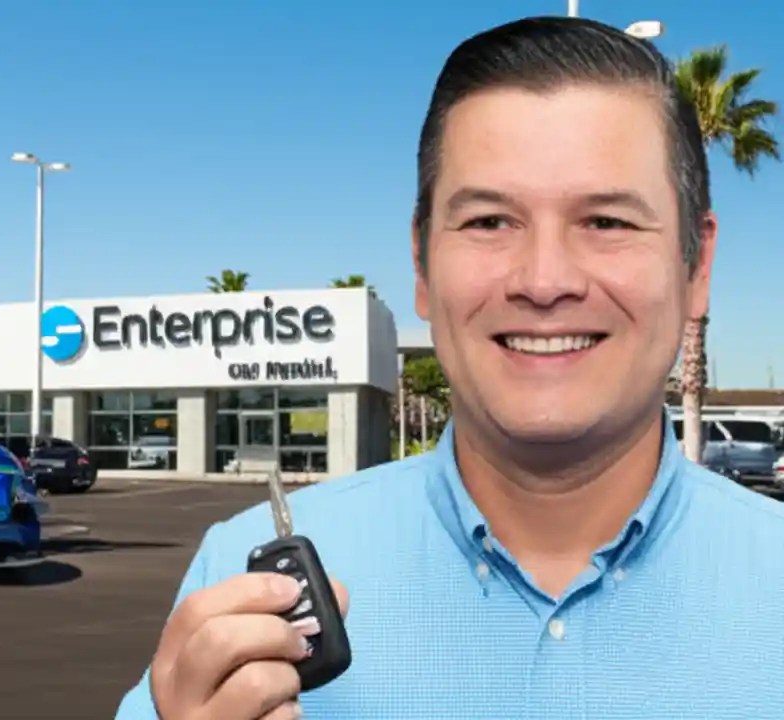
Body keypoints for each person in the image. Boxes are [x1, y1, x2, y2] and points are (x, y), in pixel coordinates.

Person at [114, 15, 784, 719]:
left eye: (607, 222)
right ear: (422, 263)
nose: (544, 279)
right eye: (490, 221)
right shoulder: (242, 585)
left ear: (696, 265)